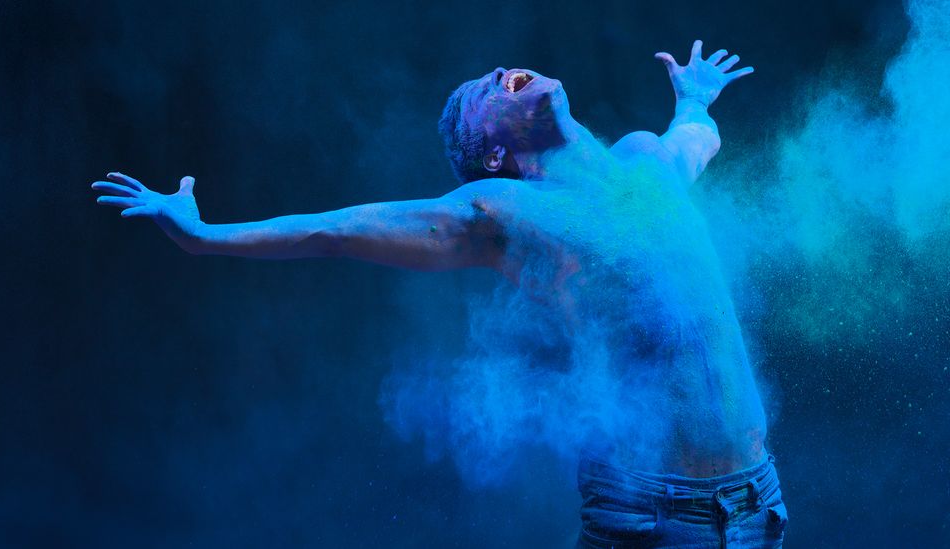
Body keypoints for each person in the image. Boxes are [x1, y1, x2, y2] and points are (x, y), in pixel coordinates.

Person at [93, 40, 787, 548]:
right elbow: (332, 230)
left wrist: (694, 102)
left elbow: (695, 141)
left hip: (759, 503)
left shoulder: (644, 158)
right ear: (492, 154)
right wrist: (204, 235)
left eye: (495, 75)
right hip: (653, 516)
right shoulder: (502, 211)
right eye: (482, 93)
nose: (497, 73)